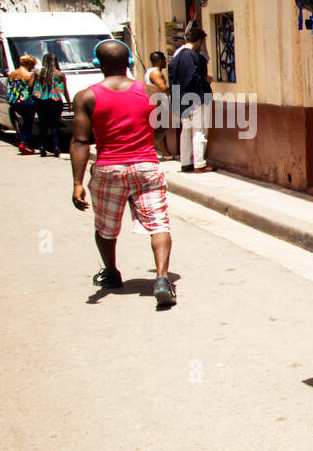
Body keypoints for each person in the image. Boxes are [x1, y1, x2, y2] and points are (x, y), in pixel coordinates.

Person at [70, 39, 176, 308]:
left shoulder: (86, 96)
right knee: (159, 223)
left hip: (109, 168)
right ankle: (162, 278)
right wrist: (149, 143)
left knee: (105, 227)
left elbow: (80, 141)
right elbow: (166, 124)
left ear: (98, 64)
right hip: (146, 167)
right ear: (129, 62)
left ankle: (112, 273)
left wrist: (77, 183)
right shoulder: (152, 92)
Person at [167, 27, 213, 173]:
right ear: (200, 40)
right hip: (195, 98)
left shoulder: (176, 57)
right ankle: (199, 164)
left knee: (186, 131)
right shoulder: (193, 56)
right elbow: (193, 78)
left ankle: (186, 162)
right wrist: (206, 80)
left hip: (180, 99)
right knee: (199, 130)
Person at [31, 52, 69, 157]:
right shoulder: (60, 74)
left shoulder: (37, 73)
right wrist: (69, 102)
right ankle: (56, 147)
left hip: (41, 100)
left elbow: (31, 87)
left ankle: (42, 147)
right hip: (55, 101)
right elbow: (64, 90)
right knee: (54, 125)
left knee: (43, 125)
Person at [144, 51, 173, 159]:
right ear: (158, 60)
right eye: (163, 59)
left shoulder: (149, 71)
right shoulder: (156, 73)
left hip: (155, 101)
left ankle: (165, 153)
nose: (165, 61)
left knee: (158, 127)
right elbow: (163, 88)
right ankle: (165, 153)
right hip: (158, 102)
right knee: (160, 127)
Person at [7, 54, 38, 154]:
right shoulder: (30, 75)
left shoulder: (12, 74)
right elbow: (31, 89)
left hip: (14, 101)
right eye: (33, 65)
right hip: (25, 102)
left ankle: (22, 142)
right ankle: (24, 143)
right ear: (29, 64)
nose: (33, 67)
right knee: (28, 122)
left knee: (23, 122)